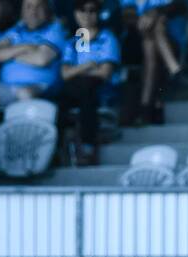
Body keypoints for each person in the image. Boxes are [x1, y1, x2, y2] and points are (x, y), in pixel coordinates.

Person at [58, 0, 120, 166]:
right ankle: (60, 149)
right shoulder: (81, 37)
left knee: (86, 89)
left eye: (91, 10)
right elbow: (65, 73)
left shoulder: (107, 37)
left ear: (97, 13)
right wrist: (88, 65)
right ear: (76, 14)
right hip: (81, 86)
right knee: (64, 96)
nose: (87, 14)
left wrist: (80, 70)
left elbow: (104, 73)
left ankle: (87, 147)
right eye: (82, 10)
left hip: (103, 88)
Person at [0, 0, 65, 106]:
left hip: (41, 87)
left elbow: (41, 59)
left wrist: (9, 54)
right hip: (8, 86)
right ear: (22, 11)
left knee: (24, 94)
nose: (33, 11)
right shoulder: (16, 31)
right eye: (28, 6)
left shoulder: (55, 29)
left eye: (39, 6)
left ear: (47, 10)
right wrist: (27, 47)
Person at [124, 0, 184, 125]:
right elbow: (124, 12)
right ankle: (174, 67)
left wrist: (156, 14)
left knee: (152, 38)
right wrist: (144, 19)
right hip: (135, 39)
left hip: (168, 39)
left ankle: (144, 107)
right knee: (153, 32)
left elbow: (179, 6)